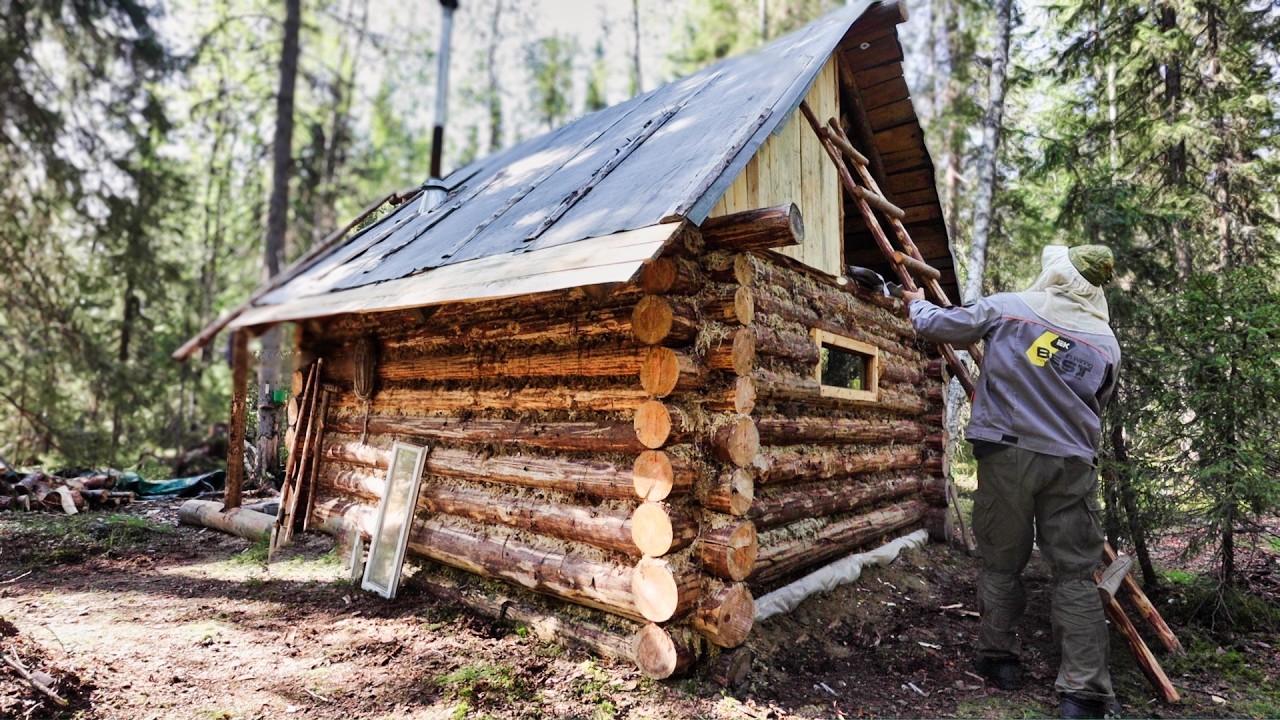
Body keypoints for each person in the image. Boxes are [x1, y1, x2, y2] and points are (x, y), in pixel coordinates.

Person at [903, 245, 1121, 720]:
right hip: (1073, 464)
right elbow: (1101, 400)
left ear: (1056, 273)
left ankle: (999, 659)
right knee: (1076, 575)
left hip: (1007, 454)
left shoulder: (1011, 307)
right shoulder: (1106, 341)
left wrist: (914, 300)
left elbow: (937, 325)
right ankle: (1084, 694)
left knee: (1002, 564)